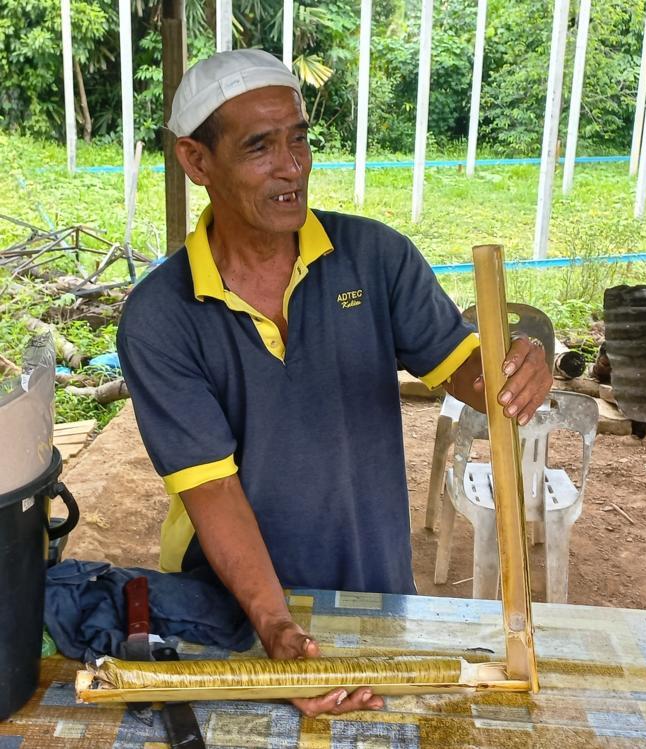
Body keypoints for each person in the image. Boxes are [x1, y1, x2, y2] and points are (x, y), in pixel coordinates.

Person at [117, 48, 552, 717]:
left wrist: (516, 367)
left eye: (300, 139)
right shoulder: (161, 316)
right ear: (196, 162)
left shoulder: (375, 258)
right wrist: (278, 631)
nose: (291, 167)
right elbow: (213, 489)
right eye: (259, 146)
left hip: (374, 588)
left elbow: (467, 371)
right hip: (234, 608)